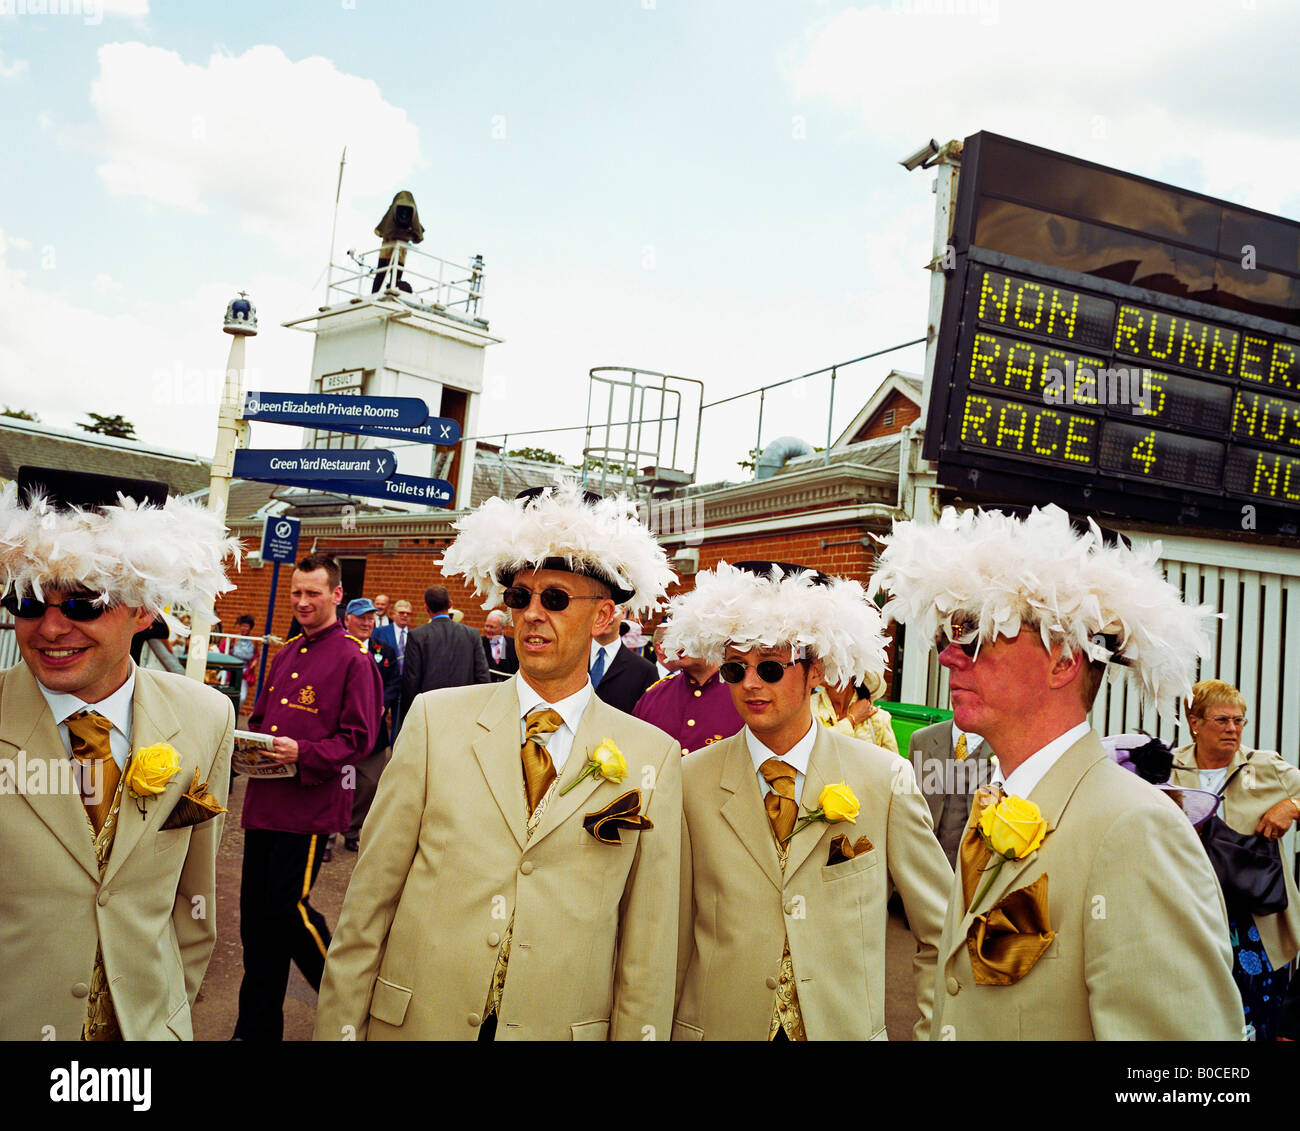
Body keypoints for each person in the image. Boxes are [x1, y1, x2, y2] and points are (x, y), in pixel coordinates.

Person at [314, 480, 681, 1040]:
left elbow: (648, 943)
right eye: (520, 598)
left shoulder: (652, 755)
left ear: (603, 617)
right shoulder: (437, 722)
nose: (533, 613)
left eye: (555, 599)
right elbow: (370, 900)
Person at [872, 504, 1242, 1040]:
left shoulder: (1135, 829)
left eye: (976, 631)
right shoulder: (996, 801)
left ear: (1063, 661)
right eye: (946, 637)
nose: (950, 657)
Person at [666, 561, 951, 1040]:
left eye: (771, 667)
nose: (751, 684)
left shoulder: (883, 780)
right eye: (736, 669)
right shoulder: (690, 781)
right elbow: (664, 934)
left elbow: (940, 935)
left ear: (815, 670)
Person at [0, 466, 238, 1040]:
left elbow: (193, 896)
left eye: (85, 602)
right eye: (28, 600)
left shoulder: (206, 717)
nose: (51, 627)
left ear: (145, 607)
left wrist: (170, 1016)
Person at [233, 554, 382, 1041]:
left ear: (336, 596)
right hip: (264, 805)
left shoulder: (354, 660)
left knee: (285, 908)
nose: (301, 601)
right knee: (257, 925)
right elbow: (261, 718)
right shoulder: (284, 653)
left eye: (312, 593)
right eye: (297, 592)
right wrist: (249, 745)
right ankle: (254, 1031)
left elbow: (359, 739)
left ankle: (348, 996)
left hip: (309, 808)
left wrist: (306, 753)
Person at [1171, 679, 1300, 1040]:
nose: (1233, 729)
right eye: (1222, 720)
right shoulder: (1167, 770)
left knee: (1257, 1024)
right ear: (1194, 722)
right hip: (1188, 912)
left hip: (1254, 921)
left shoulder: (1266, 767)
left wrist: (1291, 806)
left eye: (1239, 721)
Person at [909, 721, 996, 868]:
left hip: (977, 870)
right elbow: (908, 806)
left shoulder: (1003, 745)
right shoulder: (921, 739)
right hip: (925, 867)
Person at [632, 642, 742, 755]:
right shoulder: (654, 695)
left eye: (690, 638)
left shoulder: (741, 695)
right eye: (676, 637)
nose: (679, 647)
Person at [399, 585, 490, 719]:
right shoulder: (472, 634)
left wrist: (406, 717)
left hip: (429, 712)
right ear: (450, 604)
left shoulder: (417, 636)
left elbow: (411, 681)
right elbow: (482, 676)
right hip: (464, 711)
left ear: (426, 607)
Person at [811, 669, 899, 755]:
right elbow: (810, 749)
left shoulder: (878, 718)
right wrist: (851, 719)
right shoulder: (807, 707)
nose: (819, 666)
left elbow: (893, 766)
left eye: (830, 660)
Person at [589, 605, 658, 714]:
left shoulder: (645, 671)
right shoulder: (570, 659)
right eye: (599, 611)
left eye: (613, 611)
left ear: (623, 612)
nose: (606, 617)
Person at [370, 190, 424, 294]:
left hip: (393, 251)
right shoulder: (393, 216)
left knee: (385, 275)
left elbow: (380, 231)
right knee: (388, 275)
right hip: (394, 252)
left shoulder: (396, 213)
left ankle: (379, 293)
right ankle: (381, 293)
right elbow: (418, 237)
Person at [481, 608, 519, 682]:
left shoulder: (514, 645)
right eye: (486, 626)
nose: (488, 630)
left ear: (503, 628)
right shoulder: (479, 643)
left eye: (492, 627)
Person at [230, 614, 258, 711]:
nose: (244, 628)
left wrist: (254, 663)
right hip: (232, 671)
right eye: (242, 625)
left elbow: (256, 655)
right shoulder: (234, 638)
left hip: (244, 672)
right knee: (229, 693)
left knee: (242, 696)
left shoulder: (254, 641)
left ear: (250, 628)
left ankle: (235, 711)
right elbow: (225, 650)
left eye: (246, 626)